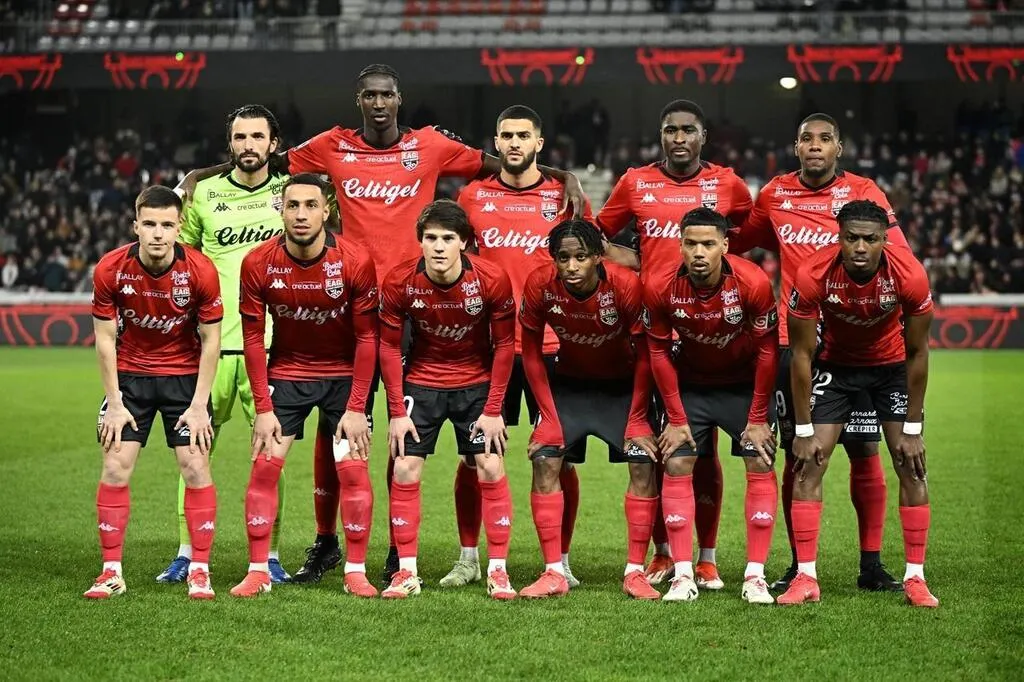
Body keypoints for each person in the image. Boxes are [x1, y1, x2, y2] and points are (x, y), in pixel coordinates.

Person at [177, 64, 587, 587]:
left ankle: (399, 552)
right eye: (368, 95)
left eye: (386, 95)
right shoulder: (330, 145)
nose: (377, 103)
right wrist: (200, 175)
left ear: (399, 99)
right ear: (359, 100)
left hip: (412, 305)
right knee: (336, 429)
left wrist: (565, 176)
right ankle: (326, 543)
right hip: (350, 307)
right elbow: (264, 160)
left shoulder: (431, 146)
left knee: (400, 432)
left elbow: (502, 160)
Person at [729, 113, 910, 593]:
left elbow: (897, 254)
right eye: (807, 139)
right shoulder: (774, 194)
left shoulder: (865, 192)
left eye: (824, 139)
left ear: (839, 148)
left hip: (858, 344)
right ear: (796, 146)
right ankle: (798, 563)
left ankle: (871, 564)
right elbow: (737, 239)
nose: (815, 146)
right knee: (800, 454)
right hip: (798, 345)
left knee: (865, 451)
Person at [595, 99, 755, 588]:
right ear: (660, 135)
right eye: (671, 130)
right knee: (666, 451)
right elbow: (598, 239)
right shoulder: (634, 182)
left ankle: (705, 557)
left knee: (700, 453)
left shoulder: (728, 184)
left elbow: (744, 236)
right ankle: (664, 553)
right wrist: (644, 267)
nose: (679, 138)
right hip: (653, 333)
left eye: (688, 130)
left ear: (702, 136)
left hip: (711, 334)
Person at [450, 104, 592, 589]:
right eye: (505, 135)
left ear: (539, 143)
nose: (513, 143)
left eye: (523, 135)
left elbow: (590, 265)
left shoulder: (563, 198)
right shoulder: (472, 196)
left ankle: (562, 560)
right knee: (474, 456)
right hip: (488, 347)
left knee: (557, 455)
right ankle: (469, 558)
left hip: (554, 346)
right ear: (497, 141)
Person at [158, 104, 292, 585]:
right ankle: (186, 551)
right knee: (193, 452)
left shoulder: (291, 194)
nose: (249, 145)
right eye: (240, 137)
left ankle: (270, 555)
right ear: (229, 143)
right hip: (211, 347)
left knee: (271, 456)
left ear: (274, 144)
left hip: (273, 347)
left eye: (258, 136)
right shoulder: (205, 193)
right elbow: (183, 261)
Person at [779, 200, 937, 608]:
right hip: (836, 369)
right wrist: (802, 430)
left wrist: (914, 428)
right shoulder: (813, 273)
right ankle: (806, 577)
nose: (860, 247)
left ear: (886, 240)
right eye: (852, 238)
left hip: (890, 368)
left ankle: (915, 578)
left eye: (870, 239)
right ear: (840, 238)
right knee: (809, 463)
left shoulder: (910, 275)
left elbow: (918, 352)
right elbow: (799, 354)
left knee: (911, 464)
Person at [230, 174, 378, 599]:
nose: (300, 214)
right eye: (292, 205)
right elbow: (254, 339)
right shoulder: (258, 263)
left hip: (344, 379)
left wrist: (355, 407)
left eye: (310, 205)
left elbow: (368, 338)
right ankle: (258, 570)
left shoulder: (354, 259)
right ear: (280, 209)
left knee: (353, 471)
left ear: (326, 210)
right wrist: (262, 408)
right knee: (263, 467)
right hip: (288, 375)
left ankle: (355, 570)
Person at [85, 186, 222, 600]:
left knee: (195, 467)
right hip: (131, 378)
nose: (158, 234)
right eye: (150, 224)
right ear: (136, 226)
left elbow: (211, 341)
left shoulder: (200, 270)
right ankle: (111, 571)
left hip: (184, 379)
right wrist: (113, 402)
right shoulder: (111, 269)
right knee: (115, 467)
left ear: (180, 227)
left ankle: (200, 570)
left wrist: (200, 406)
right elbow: (105, 341)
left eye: (167, 225)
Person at [378, 200, 517, 600]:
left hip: (476, 385)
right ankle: (406, 572)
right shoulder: (400, 281)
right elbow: (388, 348)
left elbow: (505, 345)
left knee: (490, 465)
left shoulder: (491, 279)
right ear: (420, 242)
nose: (438, 247)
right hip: (421, 385)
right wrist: (394, 413)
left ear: (465, 243)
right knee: (404, 467)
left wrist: (493, 411)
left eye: (448, 239)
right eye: (430, 238)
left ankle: (498, 571)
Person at [517, 219, 660, 600]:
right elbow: (530, 351)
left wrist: (637, 416)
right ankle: (553, 571)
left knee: (643, 463)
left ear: (598, 256)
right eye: (563, 258)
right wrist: (547, 416)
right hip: (570, 387)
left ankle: (635, 572)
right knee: (545, 460)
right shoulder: (539, 285)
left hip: (623, 391)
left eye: (581, 257)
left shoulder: (626, 287)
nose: (572, 266)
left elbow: (646, 356)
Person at [644, 207, 780, 604]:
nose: (699, 252)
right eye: (690, 244)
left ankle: (755, 576)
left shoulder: (752, 281)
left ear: (724, 244)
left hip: (742, 387)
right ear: (680, 245)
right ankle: (683, 575)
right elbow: (657, 351)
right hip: (691, 388)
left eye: (707, 243)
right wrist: (675, 416)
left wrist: (757, 418)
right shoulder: (661, 284)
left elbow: (769, 351)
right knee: (677, 461)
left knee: (759, 459)